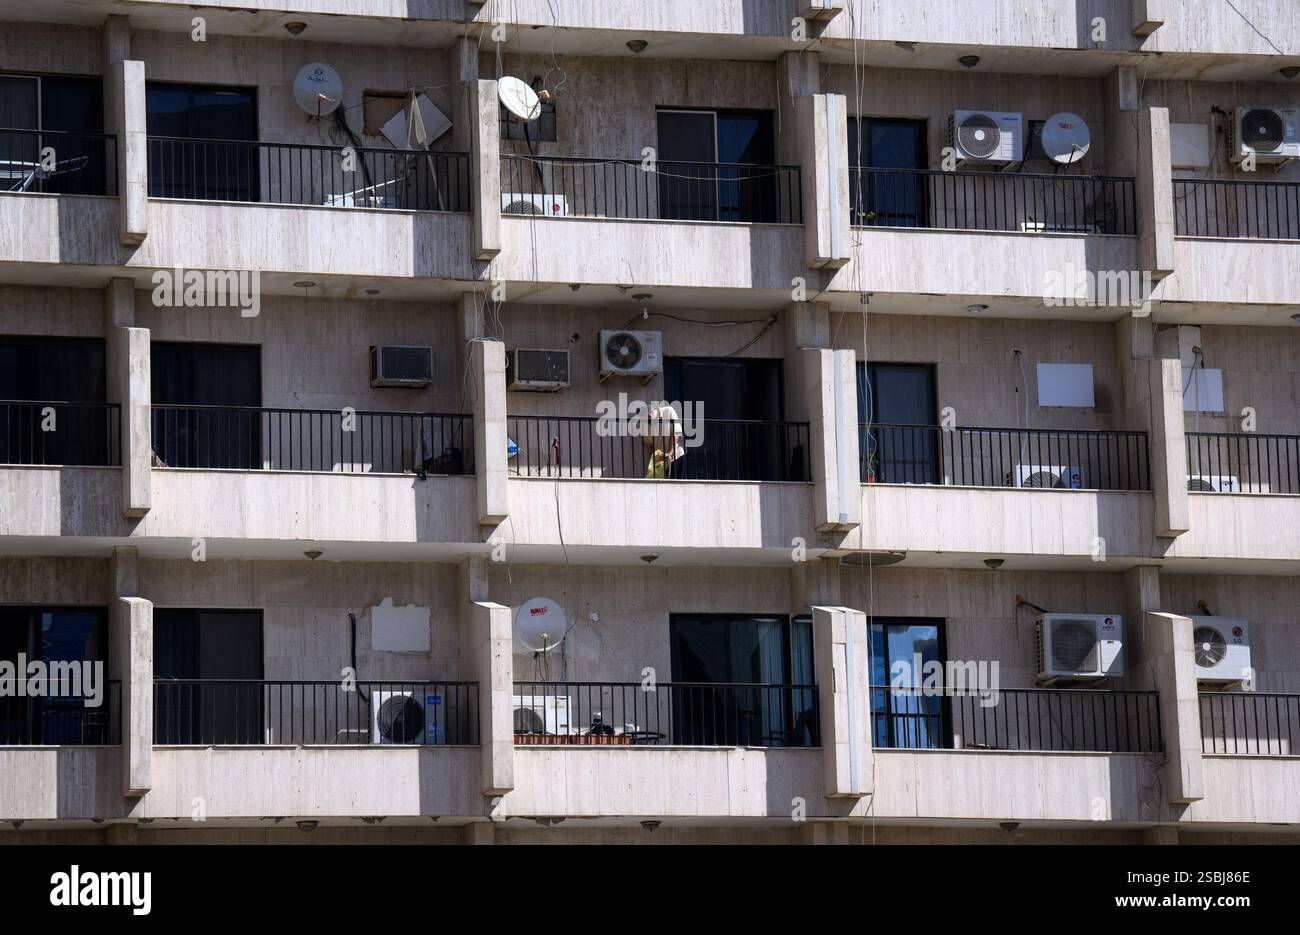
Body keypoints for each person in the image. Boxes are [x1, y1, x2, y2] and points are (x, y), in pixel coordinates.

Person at [643, 403, 685, 479]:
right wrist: (655, 457)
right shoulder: (646, 422)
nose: (647, 422)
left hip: (676, 456)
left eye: (647, 419)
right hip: (660, 461)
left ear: (651, 412)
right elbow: (648, 443)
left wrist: (669, 453)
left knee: (676, 485)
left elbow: (676, 433)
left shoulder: (669, 411)